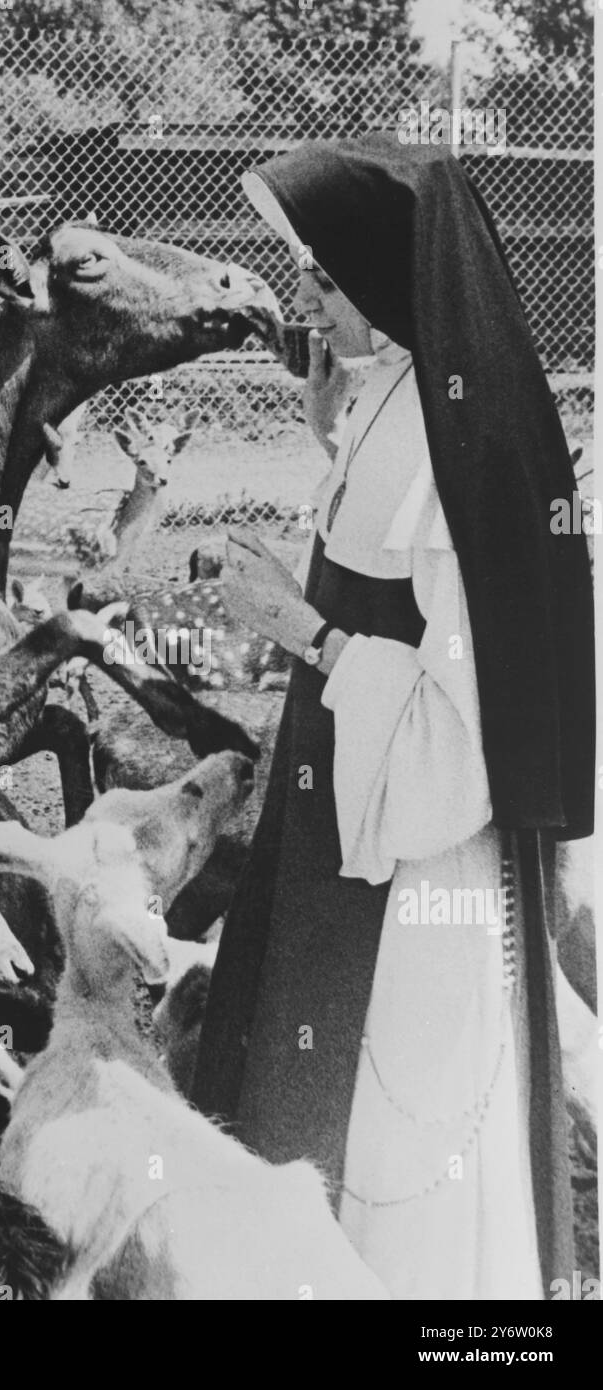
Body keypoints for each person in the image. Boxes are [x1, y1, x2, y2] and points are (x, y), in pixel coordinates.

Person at [191, 133, 594, 1301]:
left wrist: (299, 629)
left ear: (384, 280)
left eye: (322, 276)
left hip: (415, 865)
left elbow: (461, 726)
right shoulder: (401, 397)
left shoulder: (457, 440)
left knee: (391, 1130)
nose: (303, 298)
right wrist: (328, 445)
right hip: (346, 819)